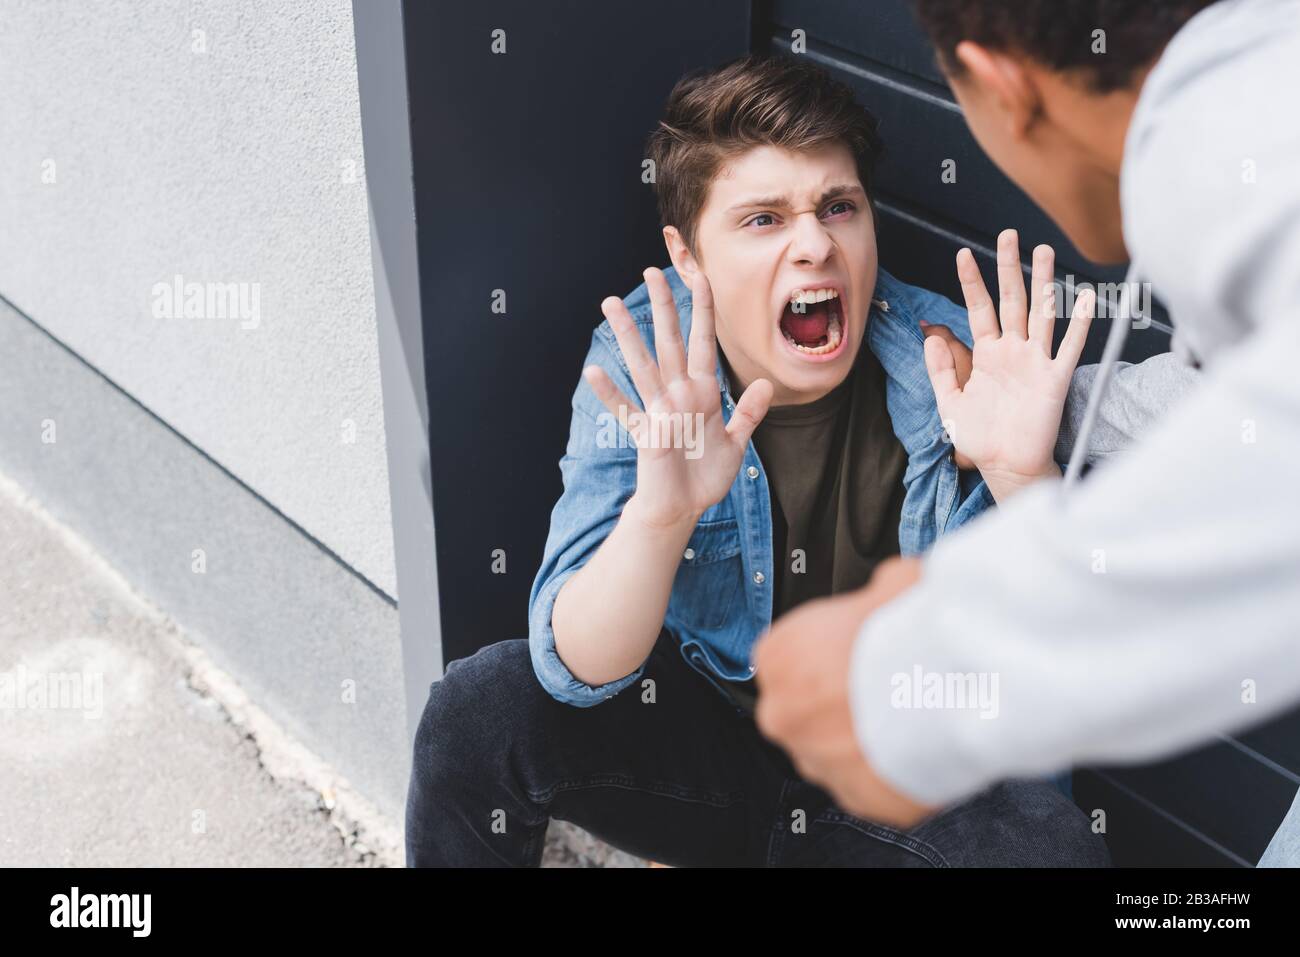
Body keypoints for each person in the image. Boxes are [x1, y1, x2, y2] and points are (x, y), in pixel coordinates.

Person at [404, 55, 1108, 866]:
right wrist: (660, 519)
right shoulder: (644, 365)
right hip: (715, 762)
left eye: (838, 207)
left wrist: (1024, 480)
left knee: (1046, 844)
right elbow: (574, 670)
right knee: (476, 712)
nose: (815, 243)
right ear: (689, 255)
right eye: (764, 219)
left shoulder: (958, 370)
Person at [752, 0, 1300, 869]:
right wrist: (1041, 427)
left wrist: (917, 666)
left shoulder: (1214, 150)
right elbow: (1235, 409)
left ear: (1005, 88)